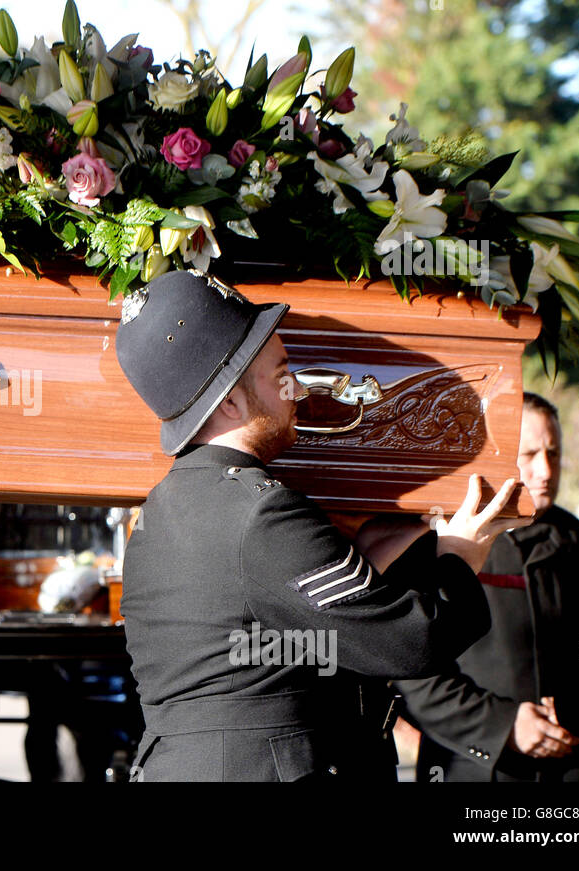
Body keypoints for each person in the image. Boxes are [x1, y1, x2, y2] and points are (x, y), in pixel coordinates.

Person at [115, 270, 522, 782]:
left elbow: (260, 618)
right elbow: (415, 642)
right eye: (281, 372)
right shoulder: (263, 515)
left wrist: (365, 564)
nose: (299, 391)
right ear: (231, 402)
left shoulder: (158, 511)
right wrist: (461, 556)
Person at [394, 393, 579, 781]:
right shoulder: (441, 544)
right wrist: (503, 725)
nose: (545, 470)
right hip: (470, 771)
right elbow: (408, 670)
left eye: (553, 454)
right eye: (529, 454)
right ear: (497, 452)